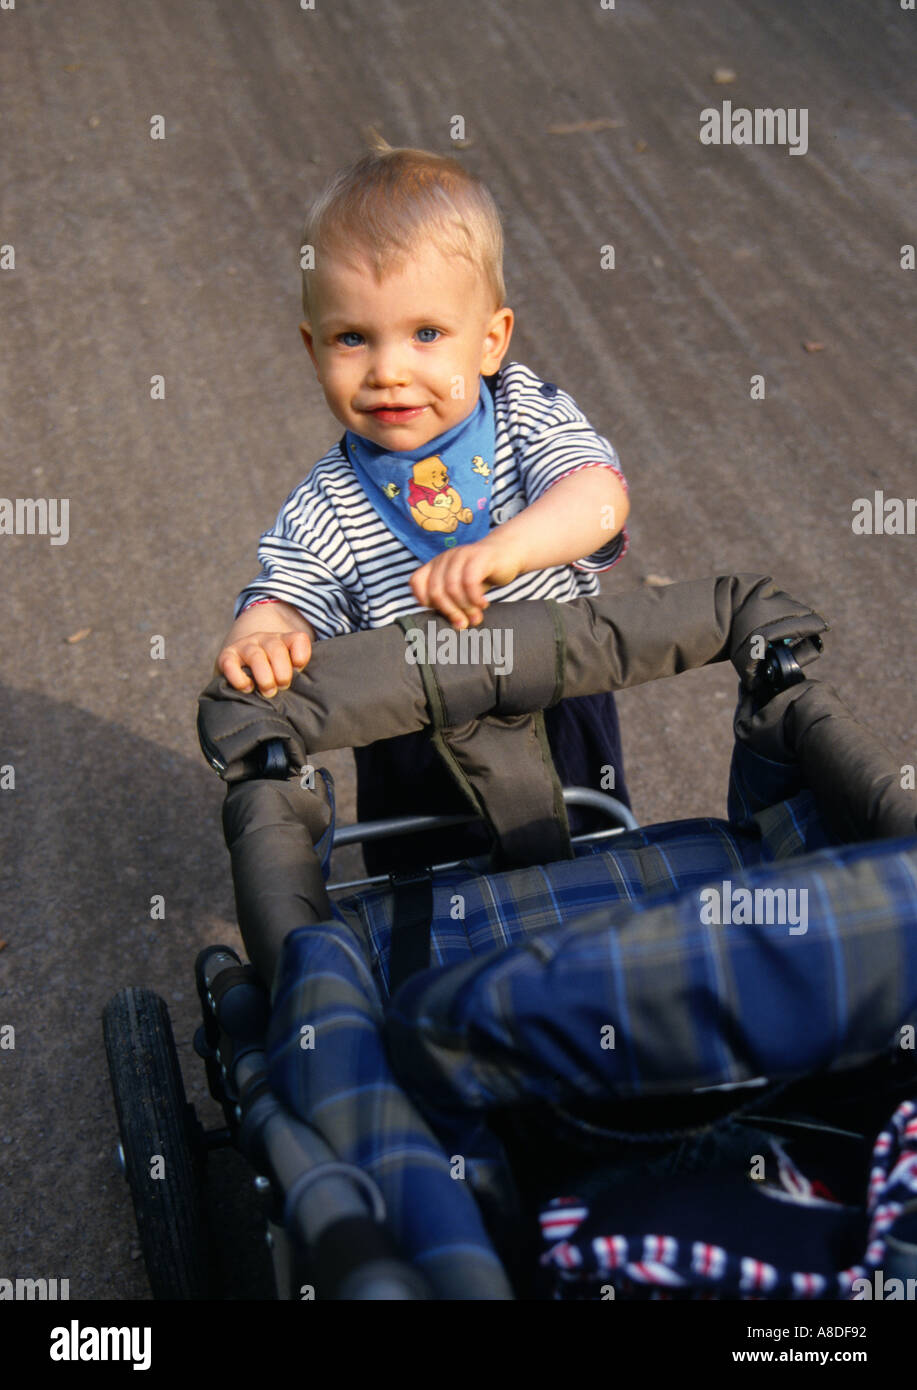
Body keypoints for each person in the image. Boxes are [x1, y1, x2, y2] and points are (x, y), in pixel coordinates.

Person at [215, 140, 632, 874]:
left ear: (490, 340)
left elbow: (598, 499)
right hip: (412, 742)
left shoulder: (527, 418)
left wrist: (508, 549)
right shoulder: (328, 504)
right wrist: (263, 633)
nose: (387, 371)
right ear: (313, 349)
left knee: (584, 875)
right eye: (352, 338)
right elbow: (288, 592)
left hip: (554, 704)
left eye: (427, 334)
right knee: (424, 906)